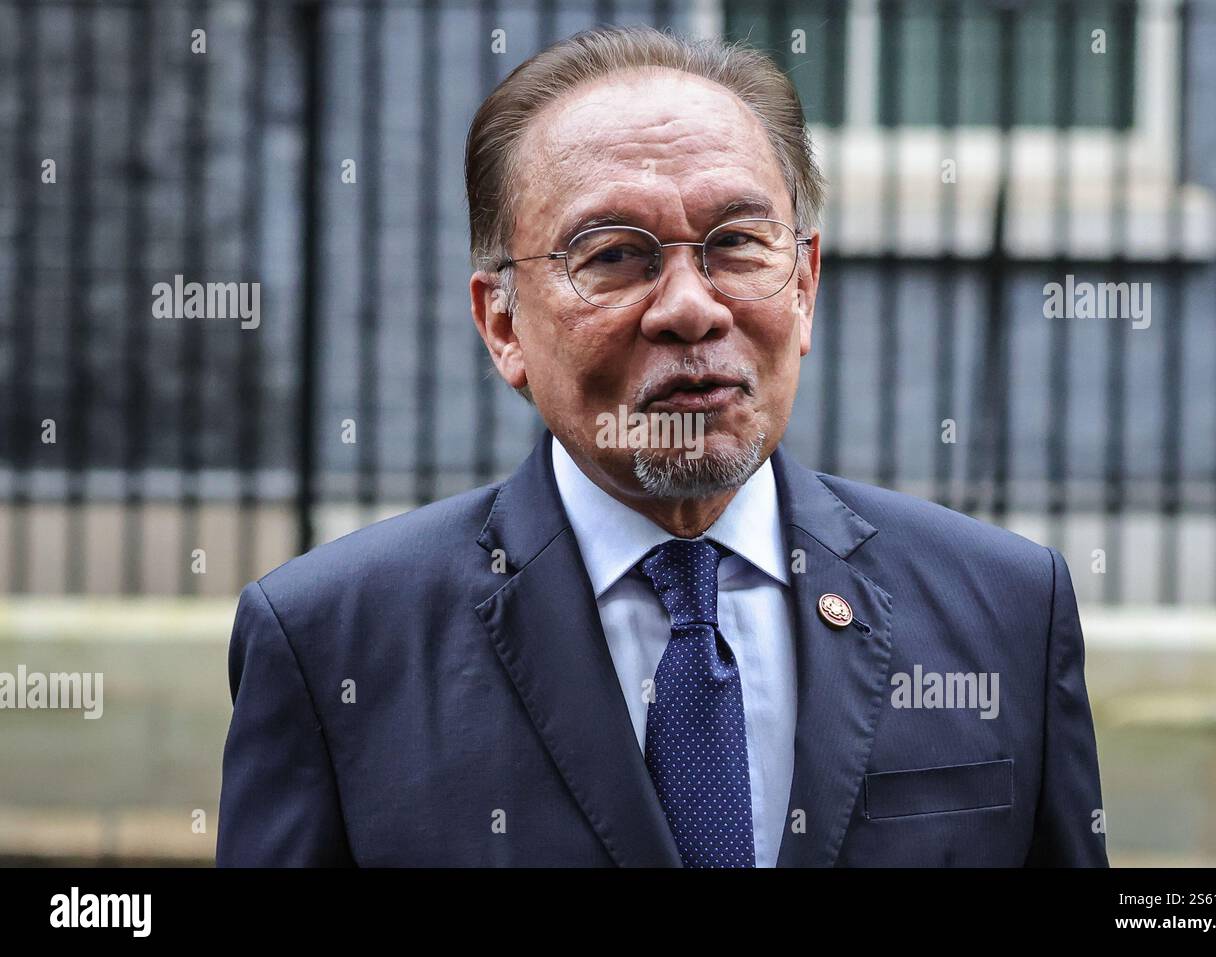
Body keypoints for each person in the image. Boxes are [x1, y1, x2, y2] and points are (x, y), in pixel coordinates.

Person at [216, 24, 1107, 867]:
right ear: (503, 325)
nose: (690, 306)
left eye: (736, 244)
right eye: (613, 255)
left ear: (804, 284)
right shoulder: (332, 646)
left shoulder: (1009, 612)